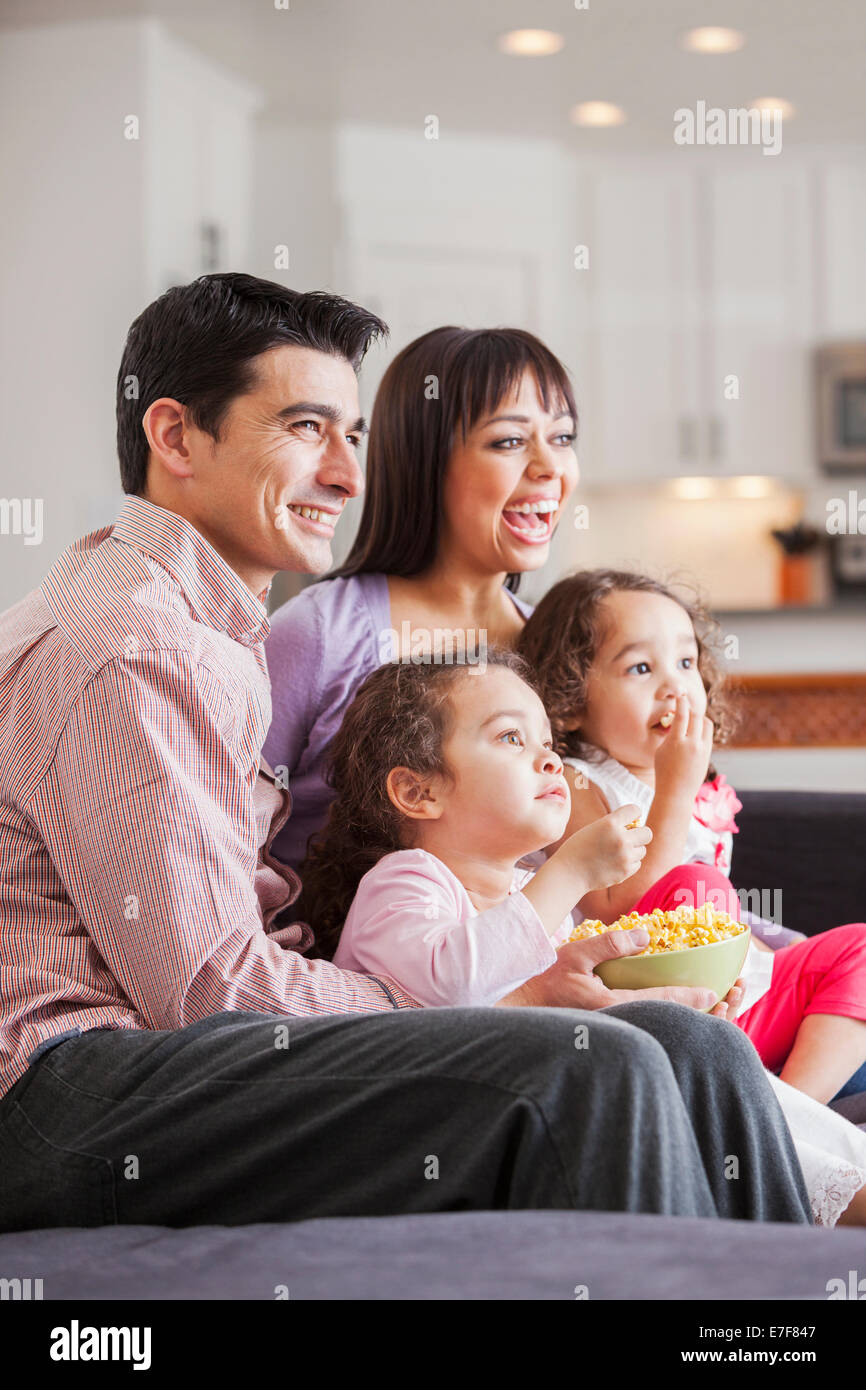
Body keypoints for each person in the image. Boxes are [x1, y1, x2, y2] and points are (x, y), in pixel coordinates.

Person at [0, 273, 811, 1230]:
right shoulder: (131, 647)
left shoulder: (195, 629)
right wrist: (487, 1005)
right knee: (601, 1067)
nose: (346, 474)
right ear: (175, 437)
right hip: (73, 1091)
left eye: (353, 437)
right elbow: (205, 992)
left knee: (688, 1043)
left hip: (160, 1058)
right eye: (306, 430)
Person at [298, 649, 866, 1227]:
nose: (549, 760)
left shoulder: (536, 896)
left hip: (573, 1094)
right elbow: (452, 988)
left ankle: (850, 1179)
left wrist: (680, 1006)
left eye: (549, 742)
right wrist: (568, 872)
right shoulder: (405, 882)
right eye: (512, 739)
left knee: (725, 1063)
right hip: (455, 1122)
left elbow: (585, 1018)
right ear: (419, 793)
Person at [515, 567, 866, 1108]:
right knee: (696, 883)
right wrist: (675, 789)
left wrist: (778, 940)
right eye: (639, 667)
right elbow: (617, 909)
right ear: (569, 700)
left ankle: (791, 1111)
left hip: (738, 1001)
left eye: (685, 663)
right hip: (655, 1005)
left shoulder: (692, 783)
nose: (674, 686)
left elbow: (725, 918)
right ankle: (768, 1106)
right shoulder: (577, 780)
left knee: (858, 948)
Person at [262, 324, 579, 874]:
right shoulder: (320, 634)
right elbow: (222, 843)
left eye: (563, 438)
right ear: (425, 461)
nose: (550, 467)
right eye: (509, 441)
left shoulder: (563, 645)